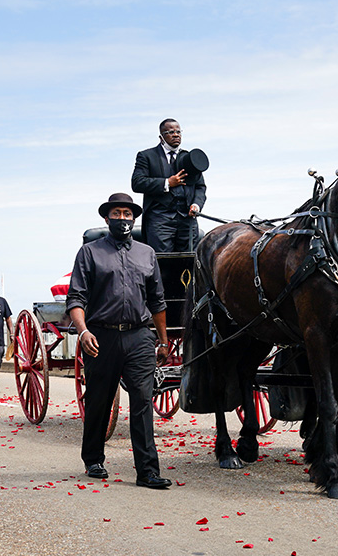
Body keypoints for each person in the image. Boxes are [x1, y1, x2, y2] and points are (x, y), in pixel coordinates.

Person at [66, 192, 172, 489]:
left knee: (142, 401)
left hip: (139, 336)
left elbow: (157, 301)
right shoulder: (90, 252)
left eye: (127, 213)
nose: (123, 218)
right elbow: (76, 297)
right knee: (100, 399)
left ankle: (147, 471)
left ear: (134, 217)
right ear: (106, 218)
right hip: (102, 336)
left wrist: (162, 341)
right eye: (117, 213)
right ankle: (93, 458)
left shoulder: (146, 253)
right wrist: (84, 331)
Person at [131, 118, 207, 252]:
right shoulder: (146, 156)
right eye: (171, 132)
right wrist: (167, 183)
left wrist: (196, 204)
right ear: (161, 137)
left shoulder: (189, 157)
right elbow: (137, 183)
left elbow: (200, 187)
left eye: (178, 131)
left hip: (187, 220)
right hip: (159, 219)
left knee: (189, 262)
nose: (176, 135)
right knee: (162, 263)